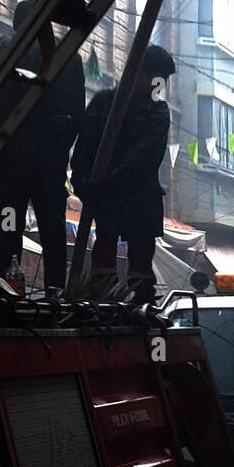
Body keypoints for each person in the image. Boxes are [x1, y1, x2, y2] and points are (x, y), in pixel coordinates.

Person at [0, 0, 85, 294]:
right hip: (51, 160)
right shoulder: (70, 55)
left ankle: (7, 281)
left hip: (14, 154)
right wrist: (60, 148)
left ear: (19, 23)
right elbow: (78, 113)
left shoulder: (6, 45)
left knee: (9, 222)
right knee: (52, 226)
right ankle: (56, 288)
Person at [70, 44, 176, 304]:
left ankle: (141, 310)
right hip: (105, 198)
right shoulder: (104, 102)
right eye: (157, 78)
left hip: (137, 196)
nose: (159, 86)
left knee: (141, 268)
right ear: (139, 73)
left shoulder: (157, 111)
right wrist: (84, 184)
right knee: (103, 262)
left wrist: (106, 183)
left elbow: (144, 157)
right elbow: (83, 151)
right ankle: (102, 307)